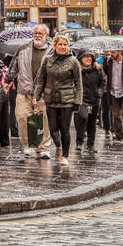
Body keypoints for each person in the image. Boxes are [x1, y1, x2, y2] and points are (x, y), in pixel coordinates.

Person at [34, 34, 83, 162]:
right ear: (55, 46)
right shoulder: (47, 60)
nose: (63, 47)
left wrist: (77, 101)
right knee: (53, 128)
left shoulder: (73, 62)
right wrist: (36, 96)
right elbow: (40, 80)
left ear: (68, 46)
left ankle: (65, 156)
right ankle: (59, 147)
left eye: (65, 44)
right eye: (60, 44)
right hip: (50, 100)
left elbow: (78, 84)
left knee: (65, 129)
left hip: (67, 100)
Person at [12, 24, 53, 159]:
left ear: (46, 35)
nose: (37, 36)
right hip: (24, 90)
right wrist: (7, 81)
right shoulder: (24, 48)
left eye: (40, 33)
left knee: (44, 121)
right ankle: (28, 144)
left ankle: (43, 148)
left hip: (44, 92)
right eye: (35, 33)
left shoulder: (53, 50)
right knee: (23, 117)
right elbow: (14, 65)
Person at [76, 51, 104, 154]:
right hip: (82, 99)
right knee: (83, 118)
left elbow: (103, 81)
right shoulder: (77, 69)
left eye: (90, 57)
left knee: (92, 123)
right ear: (80, 59)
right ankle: (79, 142)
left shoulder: (98, 69)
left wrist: (99, 92)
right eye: (85, 57)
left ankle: (90, 145)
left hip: (94, 99)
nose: (88, 59)